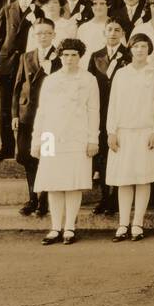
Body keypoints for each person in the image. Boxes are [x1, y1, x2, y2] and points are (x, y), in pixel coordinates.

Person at [31, 38, 99, 245]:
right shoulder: (51, 80)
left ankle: (69, 227)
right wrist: (37, 139)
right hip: (51, 136)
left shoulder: (88, 80)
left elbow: (93, 111)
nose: (69, 59)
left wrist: (92, 139)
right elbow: (42, 111)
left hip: (77, 136)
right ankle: (55, 227)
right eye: (66, 55)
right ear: (60, 56)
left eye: (74, 55)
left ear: (80, 57)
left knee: (72, 184)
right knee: (53, 183)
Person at [104, 33, 154, 241]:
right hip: (123, 133)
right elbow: (113, 104)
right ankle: (123, 224)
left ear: (149, 49)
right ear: (130, 49)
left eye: (144, 46)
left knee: (142, 179)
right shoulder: (122, 74)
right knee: (124, 180)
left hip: (145, 132)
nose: (140, 50)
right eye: (136, 46)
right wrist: (111, 131)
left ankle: (137, 223)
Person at [0, 0, 41, 161]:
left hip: (28, 64)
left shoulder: (40, 9)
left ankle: (27, 147)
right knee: (5, 107)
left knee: (28, 105)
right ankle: (6, 147)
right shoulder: (7, 9)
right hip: (8, 64)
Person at [14, 20, 60, 217]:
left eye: (47, 33)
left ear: (53, 35)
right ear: (34, 36)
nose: (43, 37)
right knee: (25, 155)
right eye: (39, 33)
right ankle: (33, 197)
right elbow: (17, 87)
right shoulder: (26, 57)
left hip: (49, 118)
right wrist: (15, 114)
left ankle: (43, 201)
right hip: (27, 116)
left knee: (46, 156)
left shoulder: (60, 58)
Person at [89, 19, 130, 215]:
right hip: (101, 110)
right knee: (103, 154)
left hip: (122, 110)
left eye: (117, 30)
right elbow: (90, 84)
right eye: (109, 30)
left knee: (120, 152)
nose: (113, 33)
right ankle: (105, 197)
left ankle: (116, 198)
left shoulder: (129, 55)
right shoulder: (96, 56)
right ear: (104, 33)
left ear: (122, 33)